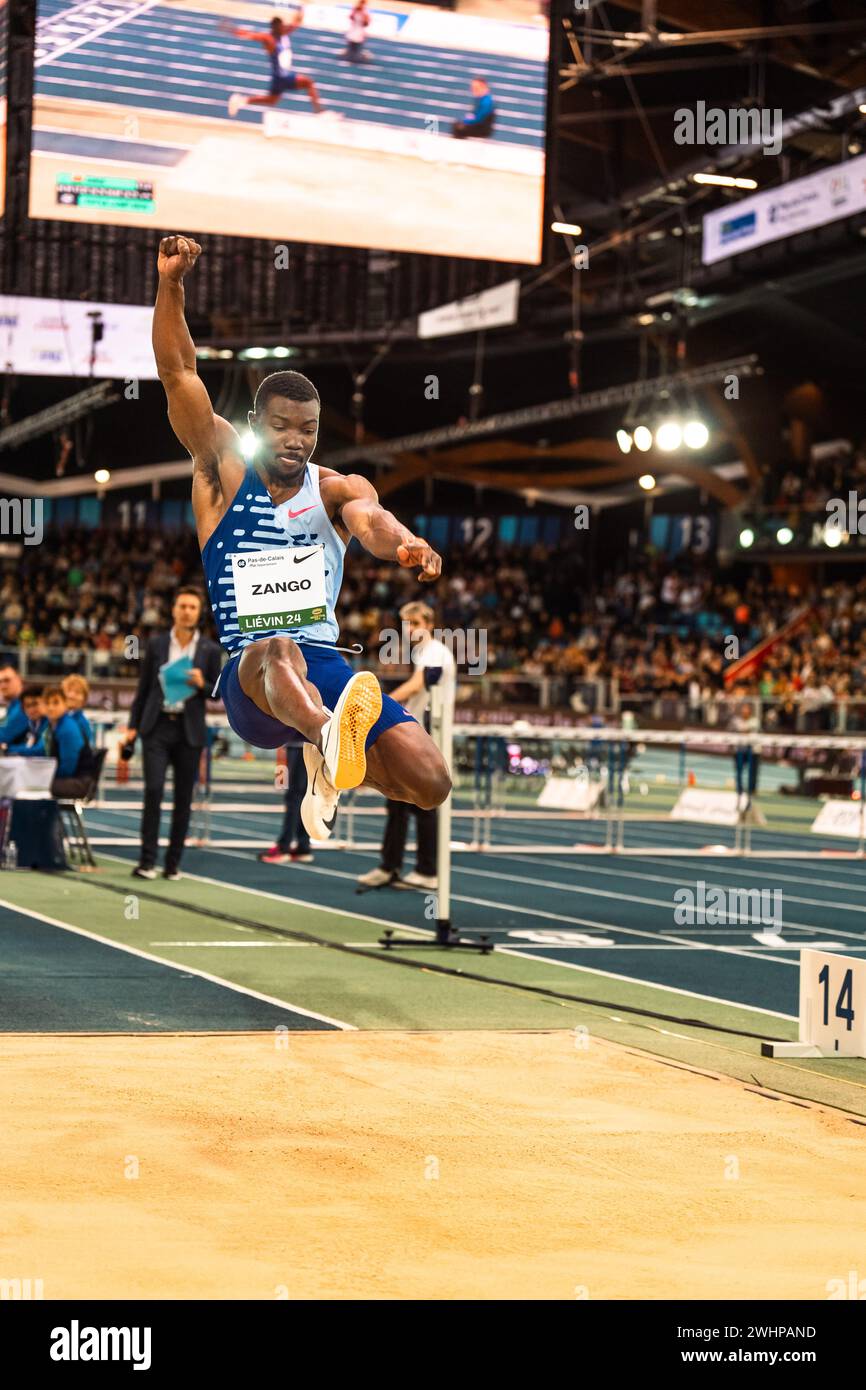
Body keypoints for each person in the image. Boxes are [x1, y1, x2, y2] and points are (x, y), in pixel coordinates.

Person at [151, 235, 451, 848]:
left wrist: (406, 544)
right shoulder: (222, 472)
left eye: (309, 429)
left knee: (430, 781)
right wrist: (171, 285)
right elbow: (178, 372)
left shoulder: (337, 488)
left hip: (325, 665)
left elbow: (372, 521)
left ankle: (327, 755)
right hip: (252, 674)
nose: (296, 440)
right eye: (282, 427)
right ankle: (326, 737)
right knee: (278, 645)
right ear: (257, 424)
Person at [124, 586, 222, 881]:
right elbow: (142, 691)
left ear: (199, 612)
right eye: (182, 606)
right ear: (174, 609)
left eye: (192, 607)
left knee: (183, 799)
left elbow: (217, 693)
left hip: (189, 731)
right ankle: (146, 862)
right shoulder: (155, 644)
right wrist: (131, 727)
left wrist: (203, 683)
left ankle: (172, 864)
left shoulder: (210, 650)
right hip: (156, 727)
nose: (187, 611)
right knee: (153, 791)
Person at [358, 602, 455, 891]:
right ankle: (390, 865)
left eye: (414, 623)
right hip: (418, 734)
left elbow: (417, 685)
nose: (409, 629)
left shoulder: (436, 652)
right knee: (397, 803)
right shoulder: (423, 653)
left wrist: (378, 703)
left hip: (430, 737)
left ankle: (427, 870)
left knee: (424, 805)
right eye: (406, 624)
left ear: (428, 623)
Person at [225, 12, 324, 118]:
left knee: (272, 100)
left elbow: (296, 22)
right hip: (282, 75)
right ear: (275, 27)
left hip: (278, 76)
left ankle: (241, 100)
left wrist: (302, 7)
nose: (283, 28)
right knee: (308, 82)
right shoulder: (269, 38)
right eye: (280, 27)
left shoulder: (284, 33)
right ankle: (319, 112)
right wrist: (236, 31)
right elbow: (252, 35)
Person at [259, 730, 312, 864]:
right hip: (310, 743)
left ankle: (284, 847)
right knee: (304, 795)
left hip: (300, 741)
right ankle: (303, 846)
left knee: (294, 796)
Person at [7, 687, 48, 751]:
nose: (31, 709)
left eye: (35, 704)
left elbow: (41, 750)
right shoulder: (33, 724)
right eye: (27, 706)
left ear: (46, 703)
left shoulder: (50, 723)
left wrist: (8, 749)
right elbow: (28, 746)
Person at [61, 674, 94, 744]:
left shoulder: (83, 724)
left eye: (77, 692)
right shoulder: (55, 718)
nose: (71, 695)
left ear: (84, 699)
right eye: (69, 691)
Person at [0, 666, 27, 749]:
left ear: (19, 680)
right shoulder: (7, 705)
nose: (3, 685)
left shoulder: (26, 704)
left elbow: (4, 735)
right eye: (0, 682)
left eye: (7, 680)